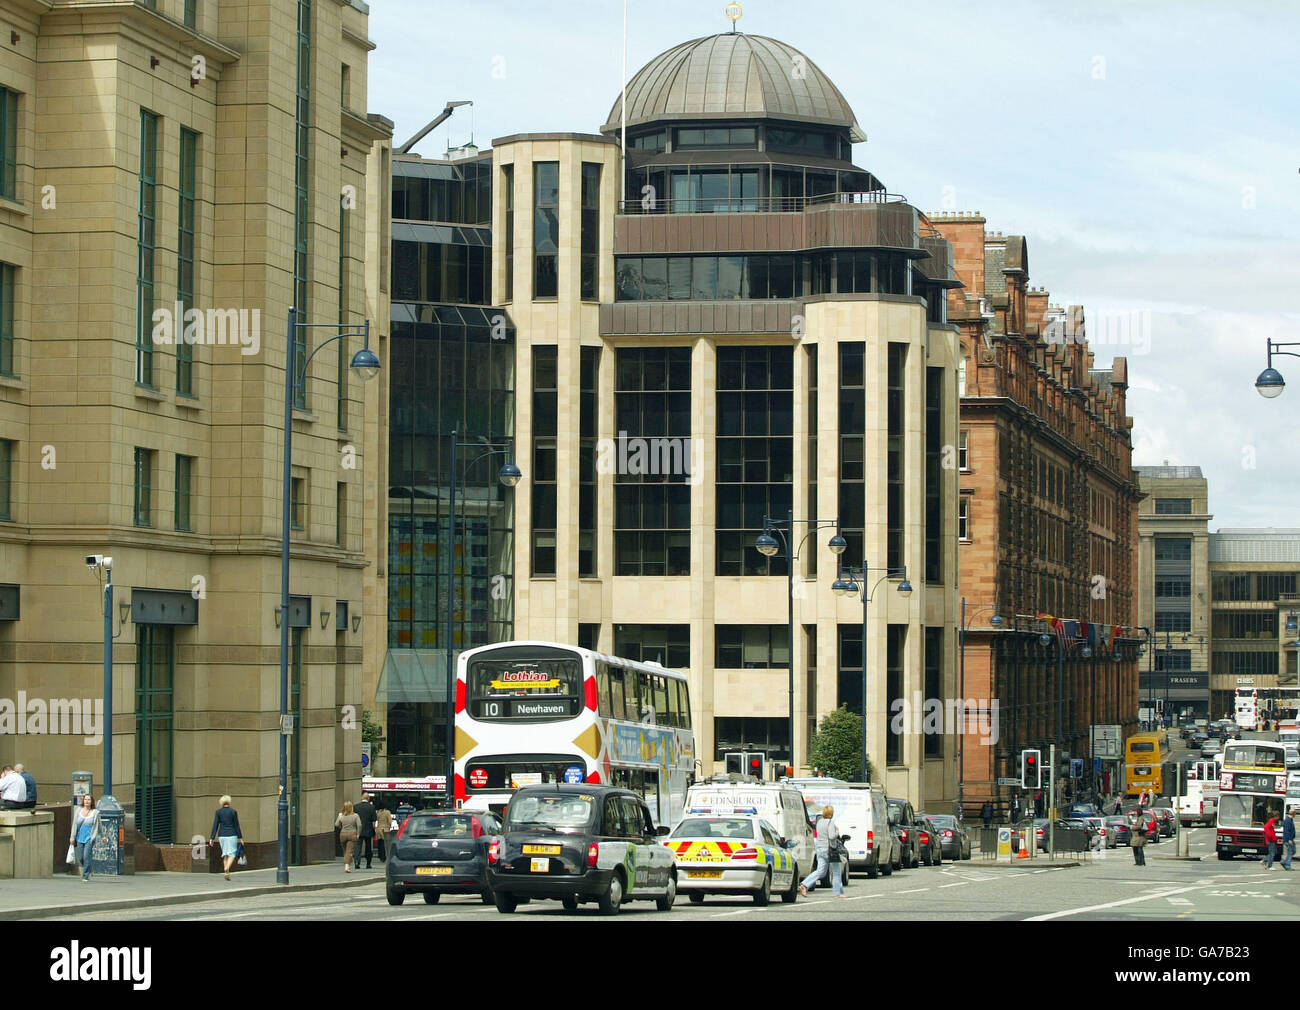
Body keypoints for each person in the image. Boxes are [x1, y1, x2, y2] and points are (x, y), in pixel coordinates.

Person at [798, 805, 844, 898]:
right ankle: (838, 893)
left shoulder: (819, 822)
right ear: (831, 814)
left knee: (820, 871)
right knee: (836, 871)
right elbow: (831, 836)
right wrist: (837, 832)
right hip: (829, 849)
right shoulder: (830, 823)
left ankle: (804, 884)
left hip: (819, 848)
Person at [209, 795, 244, 881]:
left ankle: (226, 873)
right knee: (232, 854)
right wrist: (240, 838)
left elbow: (215, 825)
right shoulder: (233, 812)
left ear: (221, 802)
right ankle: (227, 868)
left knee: (225, 854)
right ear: (229, 801)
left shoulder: (218, 812)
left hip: (222, 836)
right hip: (232, 835)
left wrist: (212, 838)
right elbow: (236, 825)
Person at [70, 793, 100, 881]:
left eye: (89, 800)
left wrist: (103, 837)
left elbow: (99, 825)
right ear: (83, 801)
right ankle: (89, 868)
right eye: (85, 799)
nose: (87, 801)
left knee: (86, 856)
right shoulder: (78, 811)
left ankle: (85, 876)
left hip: (89, 838)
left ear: (92, 802)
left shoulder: (95, 813)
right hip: (80, 837)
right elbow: (74, 825)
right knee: (81, 857)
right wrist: (72, 837)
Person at [336, 800, 361, 872]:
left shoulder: (341, 815)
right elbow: (359, 825)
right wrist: (358, 833)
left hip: (343, 834)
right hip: (352, 834)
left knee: (345, 851)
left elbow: (336, 824)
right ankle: (347, 866)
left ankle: (348, 862)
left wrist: (341, 823)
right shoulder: (355, 815)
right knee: (349, 851)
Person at [354, 792, 377, 869]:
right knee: (368, 847)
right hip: (368, 829)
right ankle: (368, 863)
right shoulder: (372, 807)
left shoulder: (356, 807)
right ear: (368, 798)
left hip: (358, 830)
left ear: (361, 798)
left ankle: (357, 862)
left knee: (358, 846)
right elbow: (374, 819)